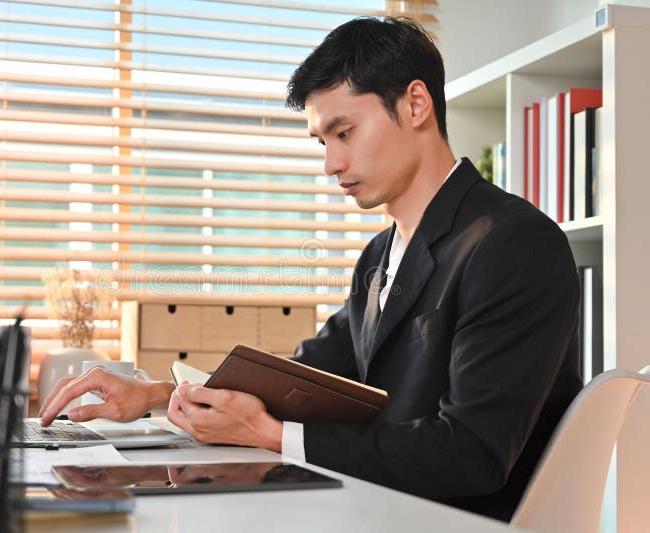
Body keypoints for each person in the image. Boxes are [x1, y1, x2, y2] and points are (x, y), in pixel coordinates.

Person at [39, 16, 582, 521]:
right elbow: (304, 380)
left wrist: (273, 436)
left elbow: (470, 453)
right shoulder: (379, 256)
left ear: (417, 104)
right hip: (371, 508)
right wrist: (157, 394)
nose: (331, 164)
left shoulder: (513, 242)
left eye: (344, 133)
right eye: (323, 141)